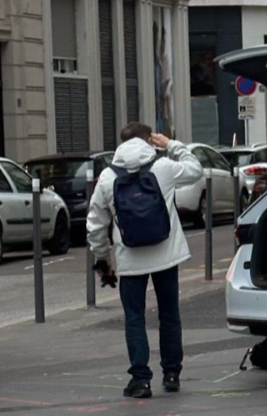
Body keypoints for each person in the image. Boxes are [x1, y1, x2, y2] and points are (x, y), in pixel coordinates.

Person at [87, 123, 203, 399]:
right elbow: (196, 169)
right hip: (166, 254)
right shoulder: (163, 167)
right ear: (150, 140)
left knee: (135, 319)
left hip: (129, 259)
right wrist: (171, 144)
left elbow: (94, 225)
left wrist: (104, 259)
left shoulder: (107, 177)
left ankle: (140, 380)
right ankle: (172, 373)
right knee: (169, 314)